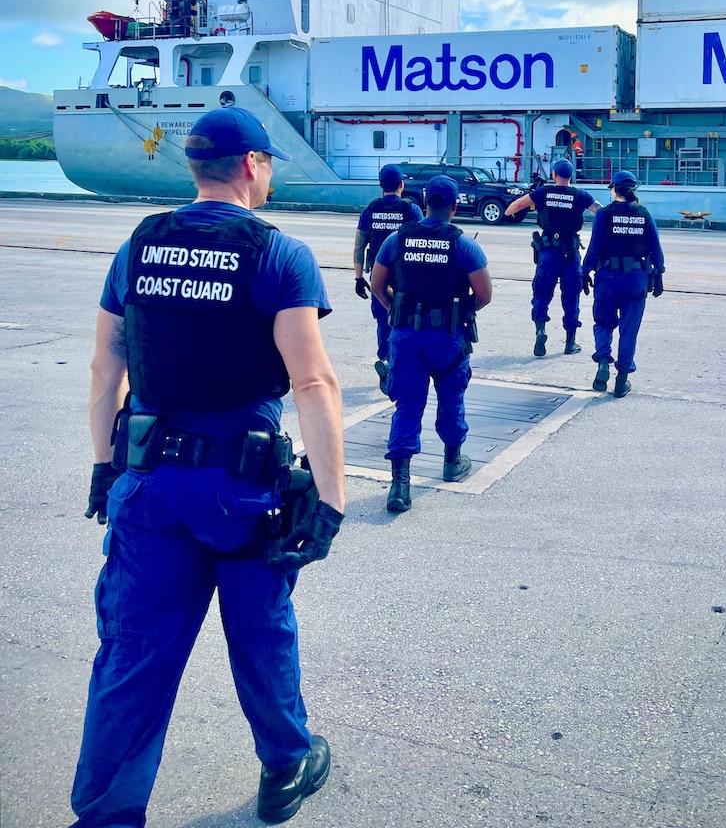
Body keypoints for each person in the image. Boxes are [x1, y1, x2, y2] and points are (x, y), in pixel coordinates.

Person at [71, 107, 346, 828]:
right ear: (252, 164)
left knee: (132, 657)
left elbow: (108, 367)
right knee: (261, 631)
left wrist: (105, 465)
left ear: (196, 166)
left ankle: (104, 815)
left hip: (149, 483)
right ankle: (285, 766)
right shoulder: (278, 255)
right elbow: (314, 383)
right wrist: (330, 498)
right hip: (241, 492)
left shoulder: (139, 245)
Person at [370, 175, 492, 513]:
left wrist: (397, 308)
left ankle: (399, 486)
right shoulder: (464, 244)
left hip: (406, 337)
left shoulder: (397, 239)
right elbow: (484, 295)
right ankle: (452, 463)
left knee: (407, 408)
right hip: (447, 340)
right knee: (452, 401)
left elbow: (377, 284)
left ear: (424, 203)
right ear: (454, 206)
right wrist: (460, 312)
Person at [581, 169, 665, 399]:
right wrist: (659, 272)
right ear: (634, 190)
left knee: (603, 323)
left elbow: (594, 247)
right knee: (629, 331)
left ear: (614, 189)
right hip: (636, 279)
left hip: (608, 277)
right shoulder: (644, 214)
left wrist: (585, 271)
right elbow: (655, 247)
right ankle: (621, 381)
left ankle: (603, 362)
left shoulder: (604, 215)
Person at [505, 158, 598, 357]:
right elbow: (600, 211)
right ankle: (570, 342)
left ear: (554, 175)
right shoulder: (580, 195)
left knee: (541, 294)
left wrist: (511, 212)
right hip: (571, 253)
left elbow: (514, 207)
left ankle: (540, 331)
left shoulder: (543, 193)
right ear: (571, 176)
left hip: (548, 253)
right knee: (571, 296)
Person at [353, 164, 422, 394]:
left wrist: (358, 277)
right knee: (407, 321)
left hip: (378, 277)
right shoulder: (411, 211)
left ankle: (385, 359)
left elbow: (360, 245)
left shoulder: (370, 210)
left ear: (381, 185)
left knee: (384, 321)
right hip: (407, 277)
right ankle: (400, 366)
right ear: (401, 184)